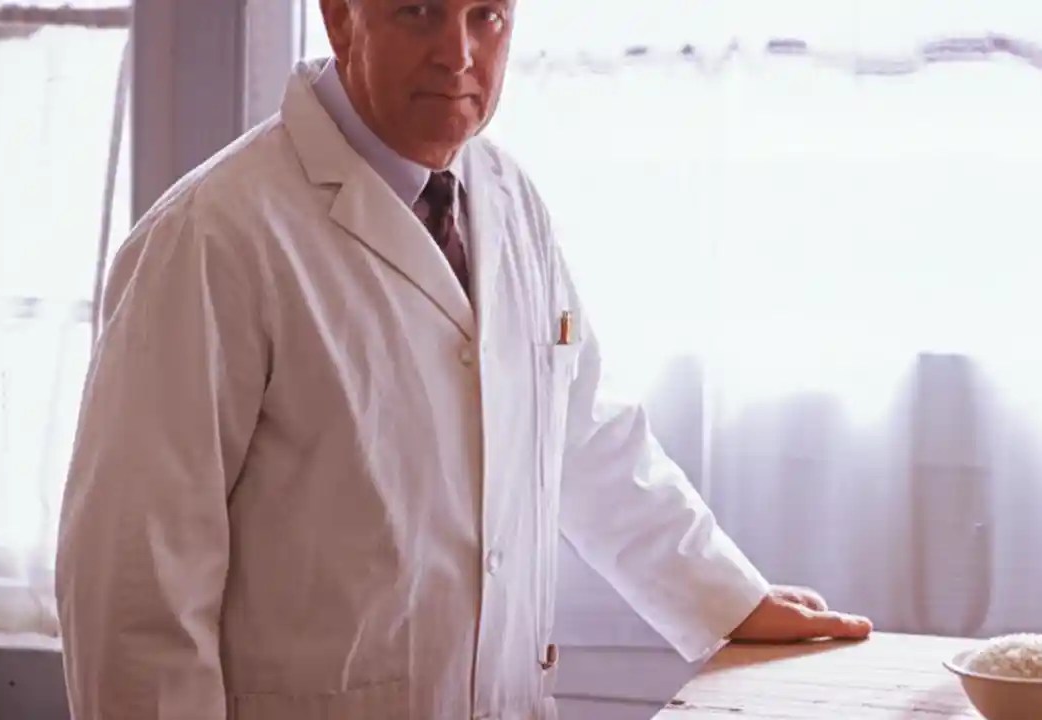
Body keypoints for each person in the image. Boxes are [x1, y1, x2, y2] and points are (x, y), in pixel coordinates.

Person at [54, 0, 873, 718]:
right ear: (340, 16)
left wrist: (728, 599)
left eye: (487, 15)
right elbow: (137, 589)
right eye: (418, 12)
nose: (459, 52)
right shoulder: (212, 236)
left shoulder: (509, 201)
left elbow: (583, 436)